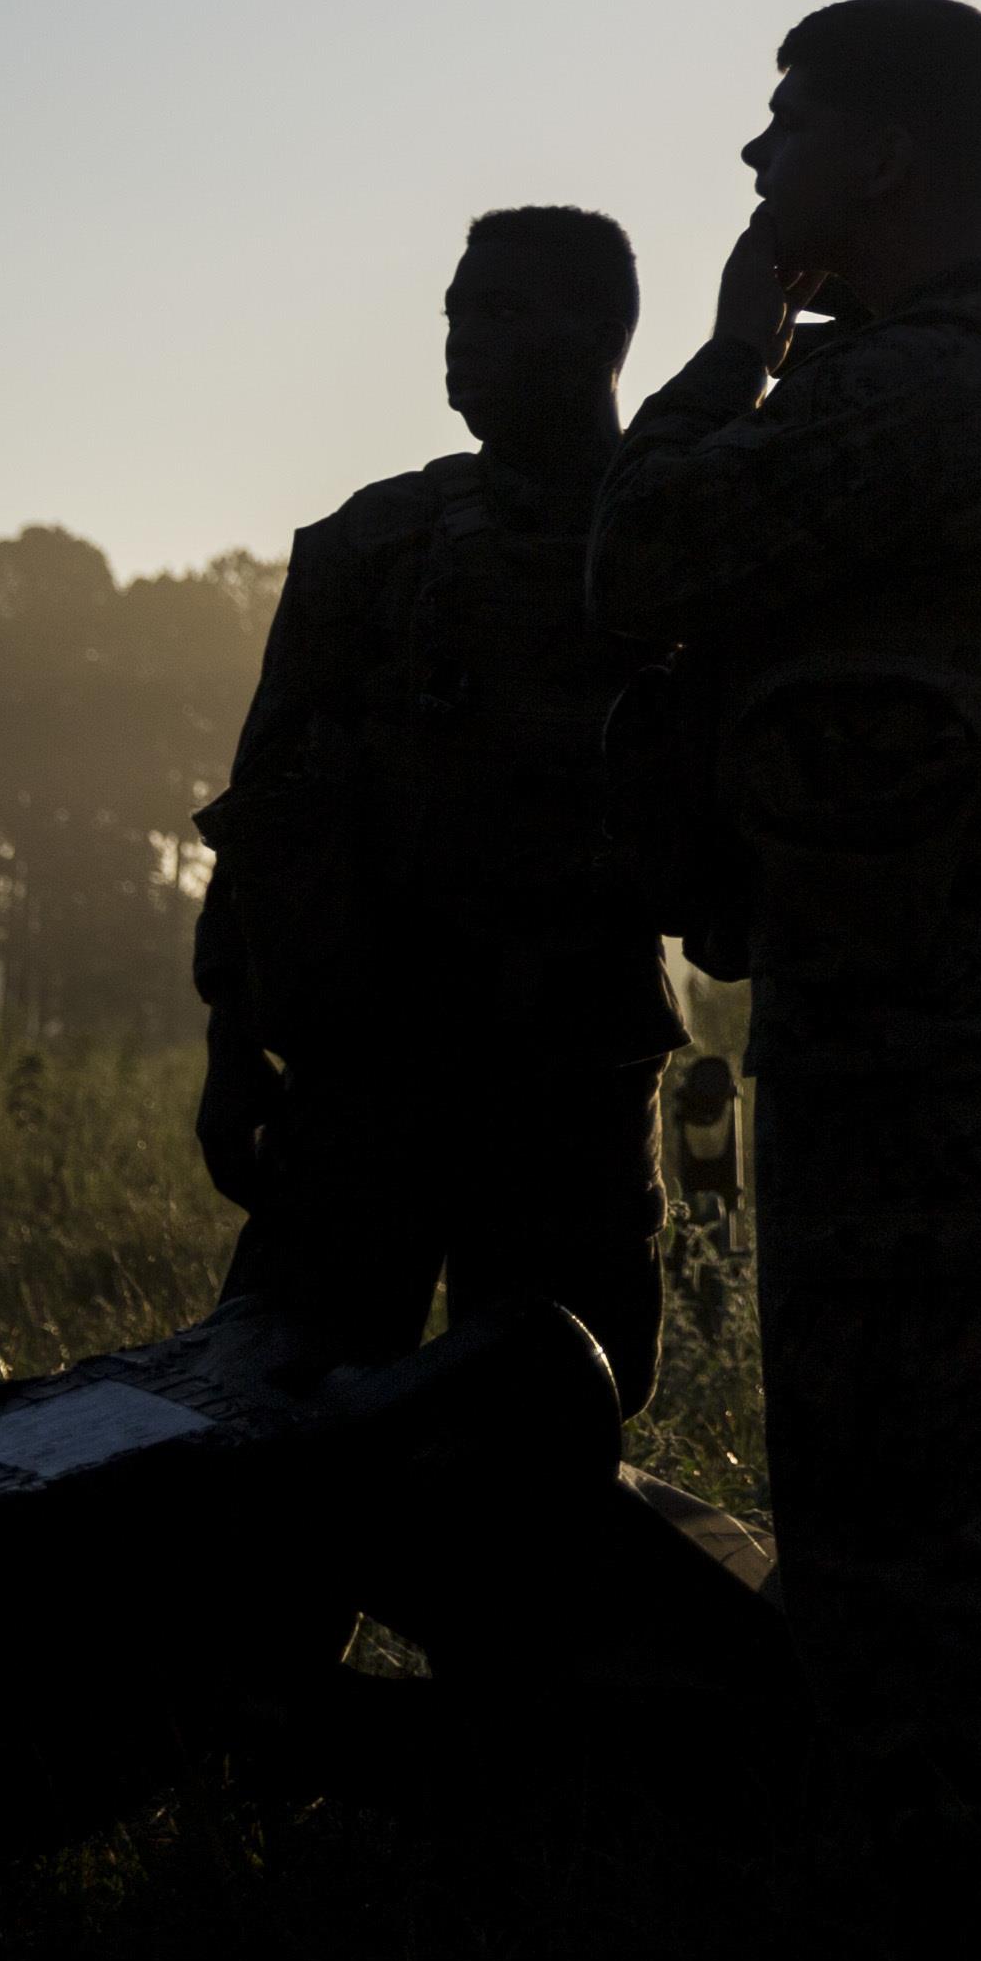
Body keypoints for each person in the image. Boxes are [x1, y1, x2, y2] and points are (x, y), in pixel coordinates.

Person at [586, 0, 981, 1920]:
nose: (754, 160)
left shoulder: (912, 390)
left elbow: (636, 564)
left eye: (786, 125)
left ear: (884, 160)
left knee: (887, 1510)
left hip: (921, 1021)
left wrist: (720, 353)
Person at [192, 207, 682, 1409]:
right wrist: (231, 1047)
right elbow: (268, 813)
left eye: (502, 311)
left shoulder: (681, 539)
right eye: (456, 311)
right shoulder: (375, 538)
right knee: (275, 1432)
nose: (462, 340)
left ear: (598, 335)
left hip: (571, 1077)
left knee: (547, 1442)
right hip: (368, 1079)